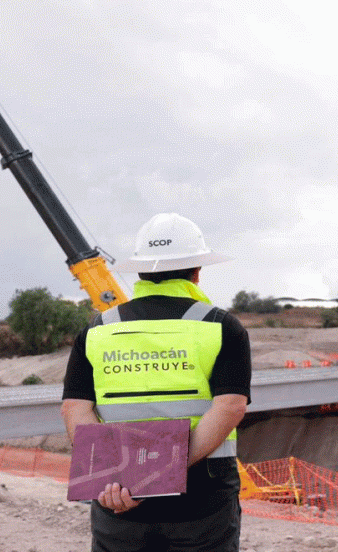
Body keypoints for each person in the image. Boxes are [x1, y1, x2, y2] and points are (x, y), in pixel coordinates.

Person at [61, 212, 251, 552]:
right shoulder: (223, 326)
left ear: (141, 270)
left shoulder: (97, 329)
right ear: (196, 271)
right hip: (202, 503)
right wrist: (161, 471)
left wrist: (122, 478)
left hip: (118, 499)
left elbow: (75, 409)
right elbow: (231, 406)